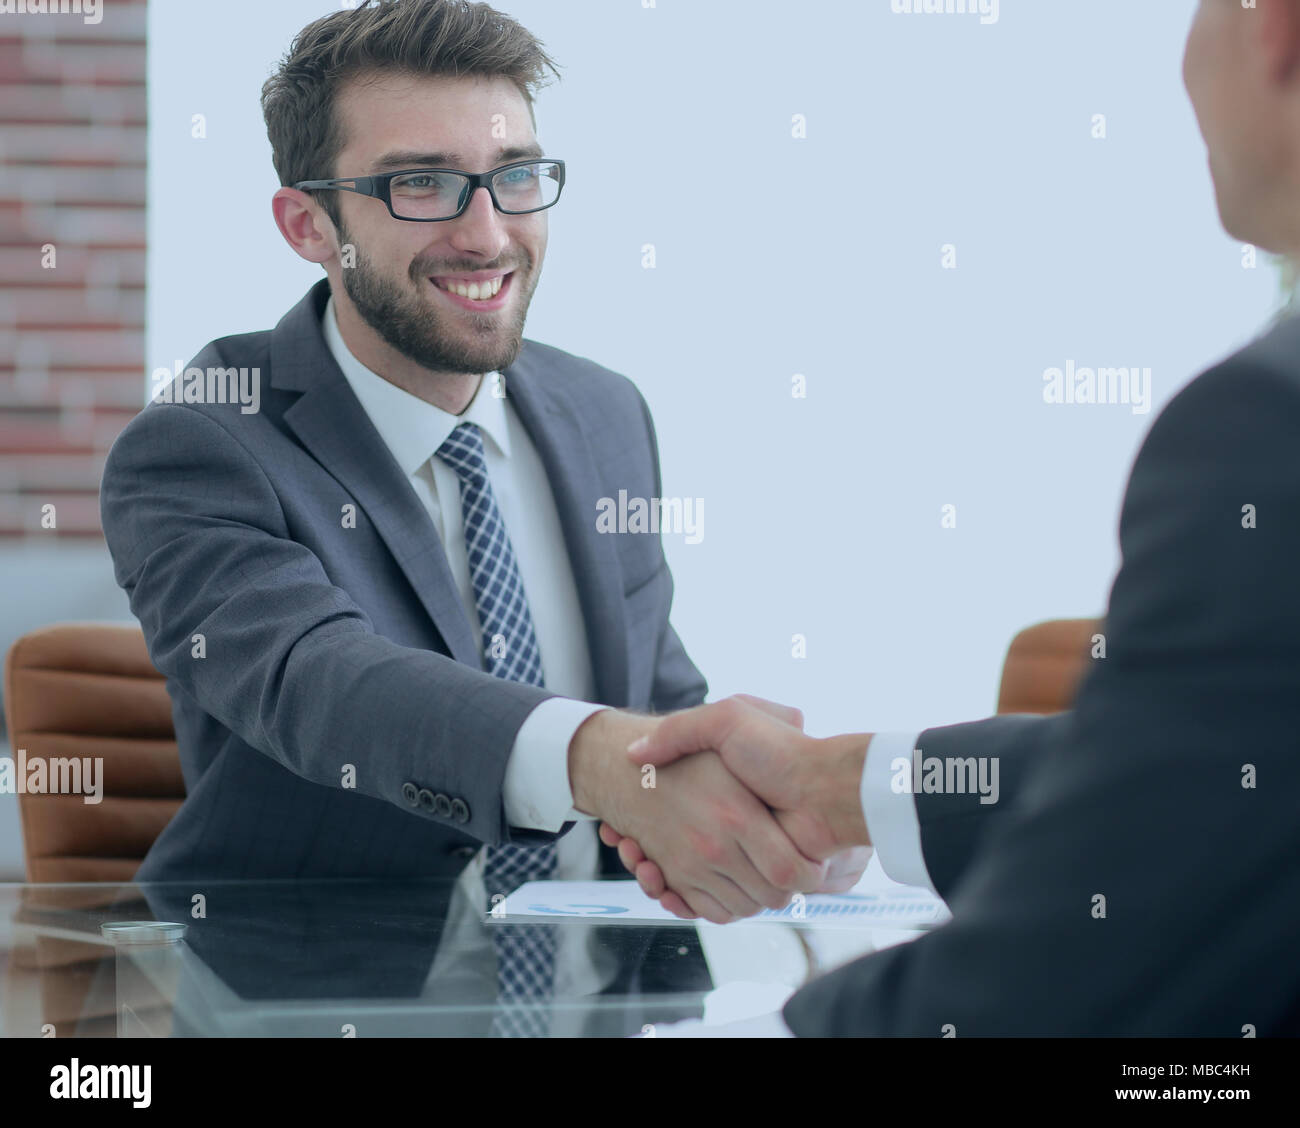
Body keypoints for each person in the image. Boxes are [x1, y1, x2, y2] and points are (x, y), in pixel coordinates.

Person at [601, 0, 1300, 1035]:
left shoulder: (1264, 429)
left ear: (1273, 27)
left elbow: (1050, 990)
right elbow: (1229, 785)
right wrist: (837, 783)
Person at [100, 0, 857, 922]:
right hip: (307, 993)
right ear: (306, 225)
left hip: (604, 994)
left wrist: (775, 814)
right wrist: (594, 761)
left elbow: (658, 713)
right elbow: (321, 681)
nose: (489, 234)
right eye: (421, 184)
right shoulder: (205, 441)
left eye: (515, 176)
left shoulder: (605, 413)